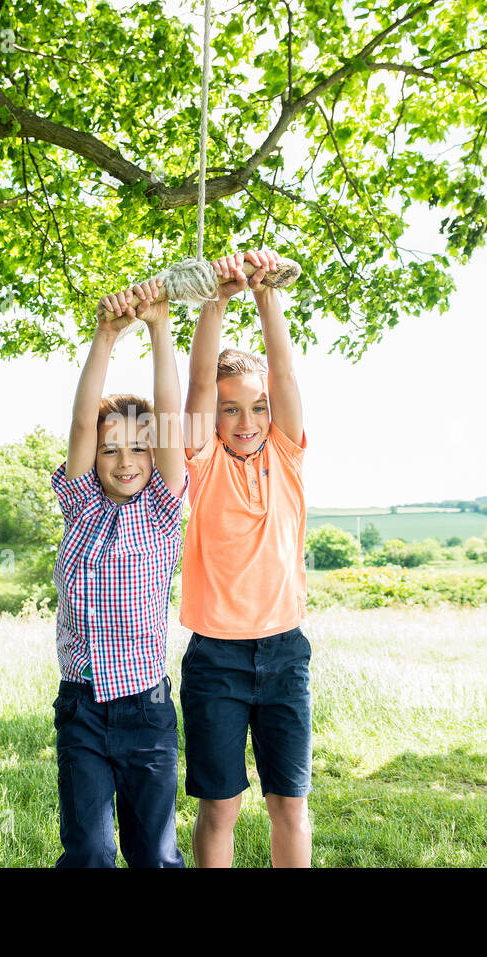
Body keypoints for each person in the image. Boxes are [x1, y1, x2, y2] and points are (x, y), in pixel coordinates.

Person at [178, 248, 313, 867]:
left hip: (285, 651)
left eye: (255, 407)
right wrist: (218, 297)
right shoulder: (201, 467)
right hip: (217, 659)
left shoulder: (286, 458)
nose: (246, 418)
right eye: (231, 408)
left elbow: (283, 376)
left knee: (289, 802)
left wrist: (265, 293)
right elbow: (198, 383)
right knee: (221, 806)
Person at [48, 276, 188, 867]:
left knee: (153, 856)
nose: (126, 460)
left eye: (138, 447)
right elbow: (83, 424)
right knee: (89, 854)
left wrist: (159, 327)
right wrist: (106, 336)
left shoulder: (161, 509)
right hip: (82, 709)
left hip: (146, 711)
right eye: (112, 450)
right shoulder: (82, 506)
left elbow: (174, 419)